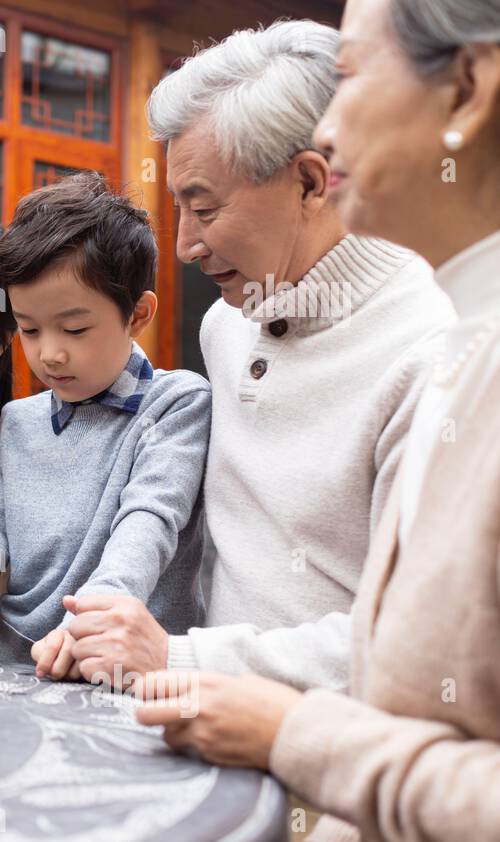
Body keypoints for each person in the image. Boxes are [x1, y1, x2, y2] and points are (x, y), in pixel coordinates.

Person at [138, 0, 500, 842]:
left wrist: (308, 769)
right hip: (244, 757)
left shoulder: (441, 347)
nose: (329, 133)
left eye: (350, 80)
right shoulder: (232, 328)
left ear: (467, 91)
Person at [45, 19, 454, 690]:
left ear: (311, 183)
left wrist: (180, 659)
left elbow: (417, 641)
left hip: (329, 765)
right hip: (200, 729)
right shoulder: (225, 328)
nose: (185, 246)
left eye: (203, 209)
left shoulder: (432, 350)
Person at [0, 173, 211, 664]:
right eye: (29, 329)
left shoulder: (177, 404)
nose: (49, 355)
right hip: (13, 669)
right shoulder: (20, 421)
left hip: (121, 668)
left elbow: (148, 522)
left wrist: (96, 618)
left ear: (138, 315)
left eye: (75, 328)